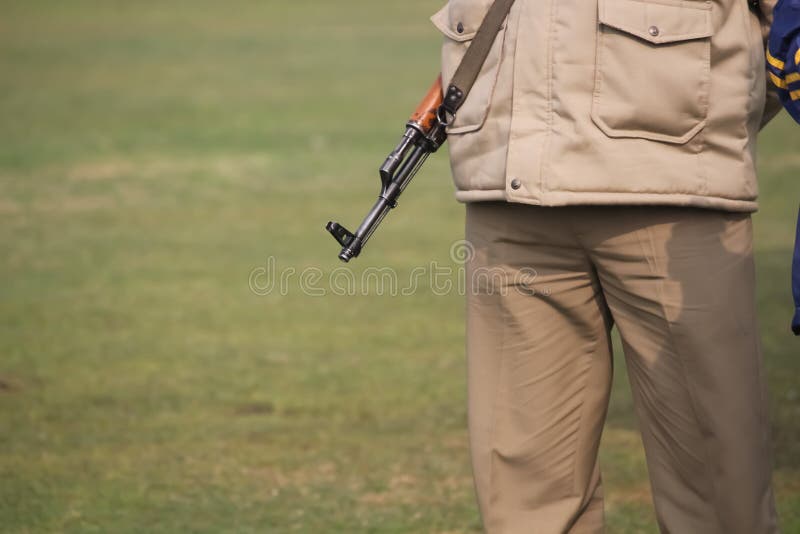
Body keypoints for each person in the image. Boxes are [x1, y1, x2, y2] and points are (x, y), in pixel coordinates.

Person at [430, 0, 788, 531]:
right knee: (523, 500)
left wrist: (699, 111)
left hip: (672, 188)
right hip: (509, 177)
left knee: (717, 489)